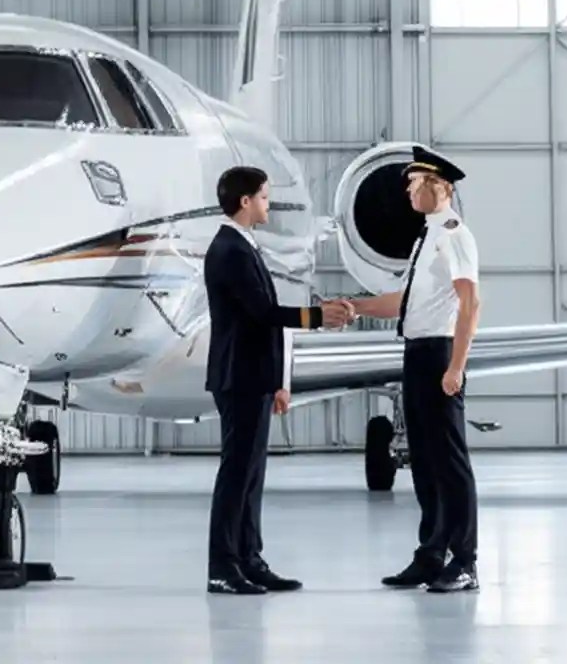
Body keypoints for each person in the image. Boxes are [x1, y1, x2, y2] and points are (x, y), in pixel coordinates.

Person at [203, 165, 353, 595]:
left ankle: (249, 558)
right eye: (265, 197)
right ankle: (223, 565)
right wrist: (318, 318)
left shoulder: (243, 245)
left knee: (251, 475)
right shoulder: (229, 249)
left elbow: (263, 323)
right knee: (237, 475)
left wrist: (278, 380)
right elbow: (263, 314)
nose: (269, 204)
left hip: (252, 376)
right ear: (246, 201)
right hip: (239, 376)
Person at [347, 145, 481, 593]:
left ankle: (465, 562)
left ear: (438, 186)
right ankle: (430, 555)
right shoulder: (426, 238)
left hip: (440, 353)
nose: (406, 190)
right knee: (424, 462)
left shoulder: (454, 235)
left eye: (414, 183)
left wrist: (456, 367)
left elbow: (470, 304)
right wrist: (353, 306)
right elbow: (401, 304)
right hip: (417, 352)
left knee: (451, 464)